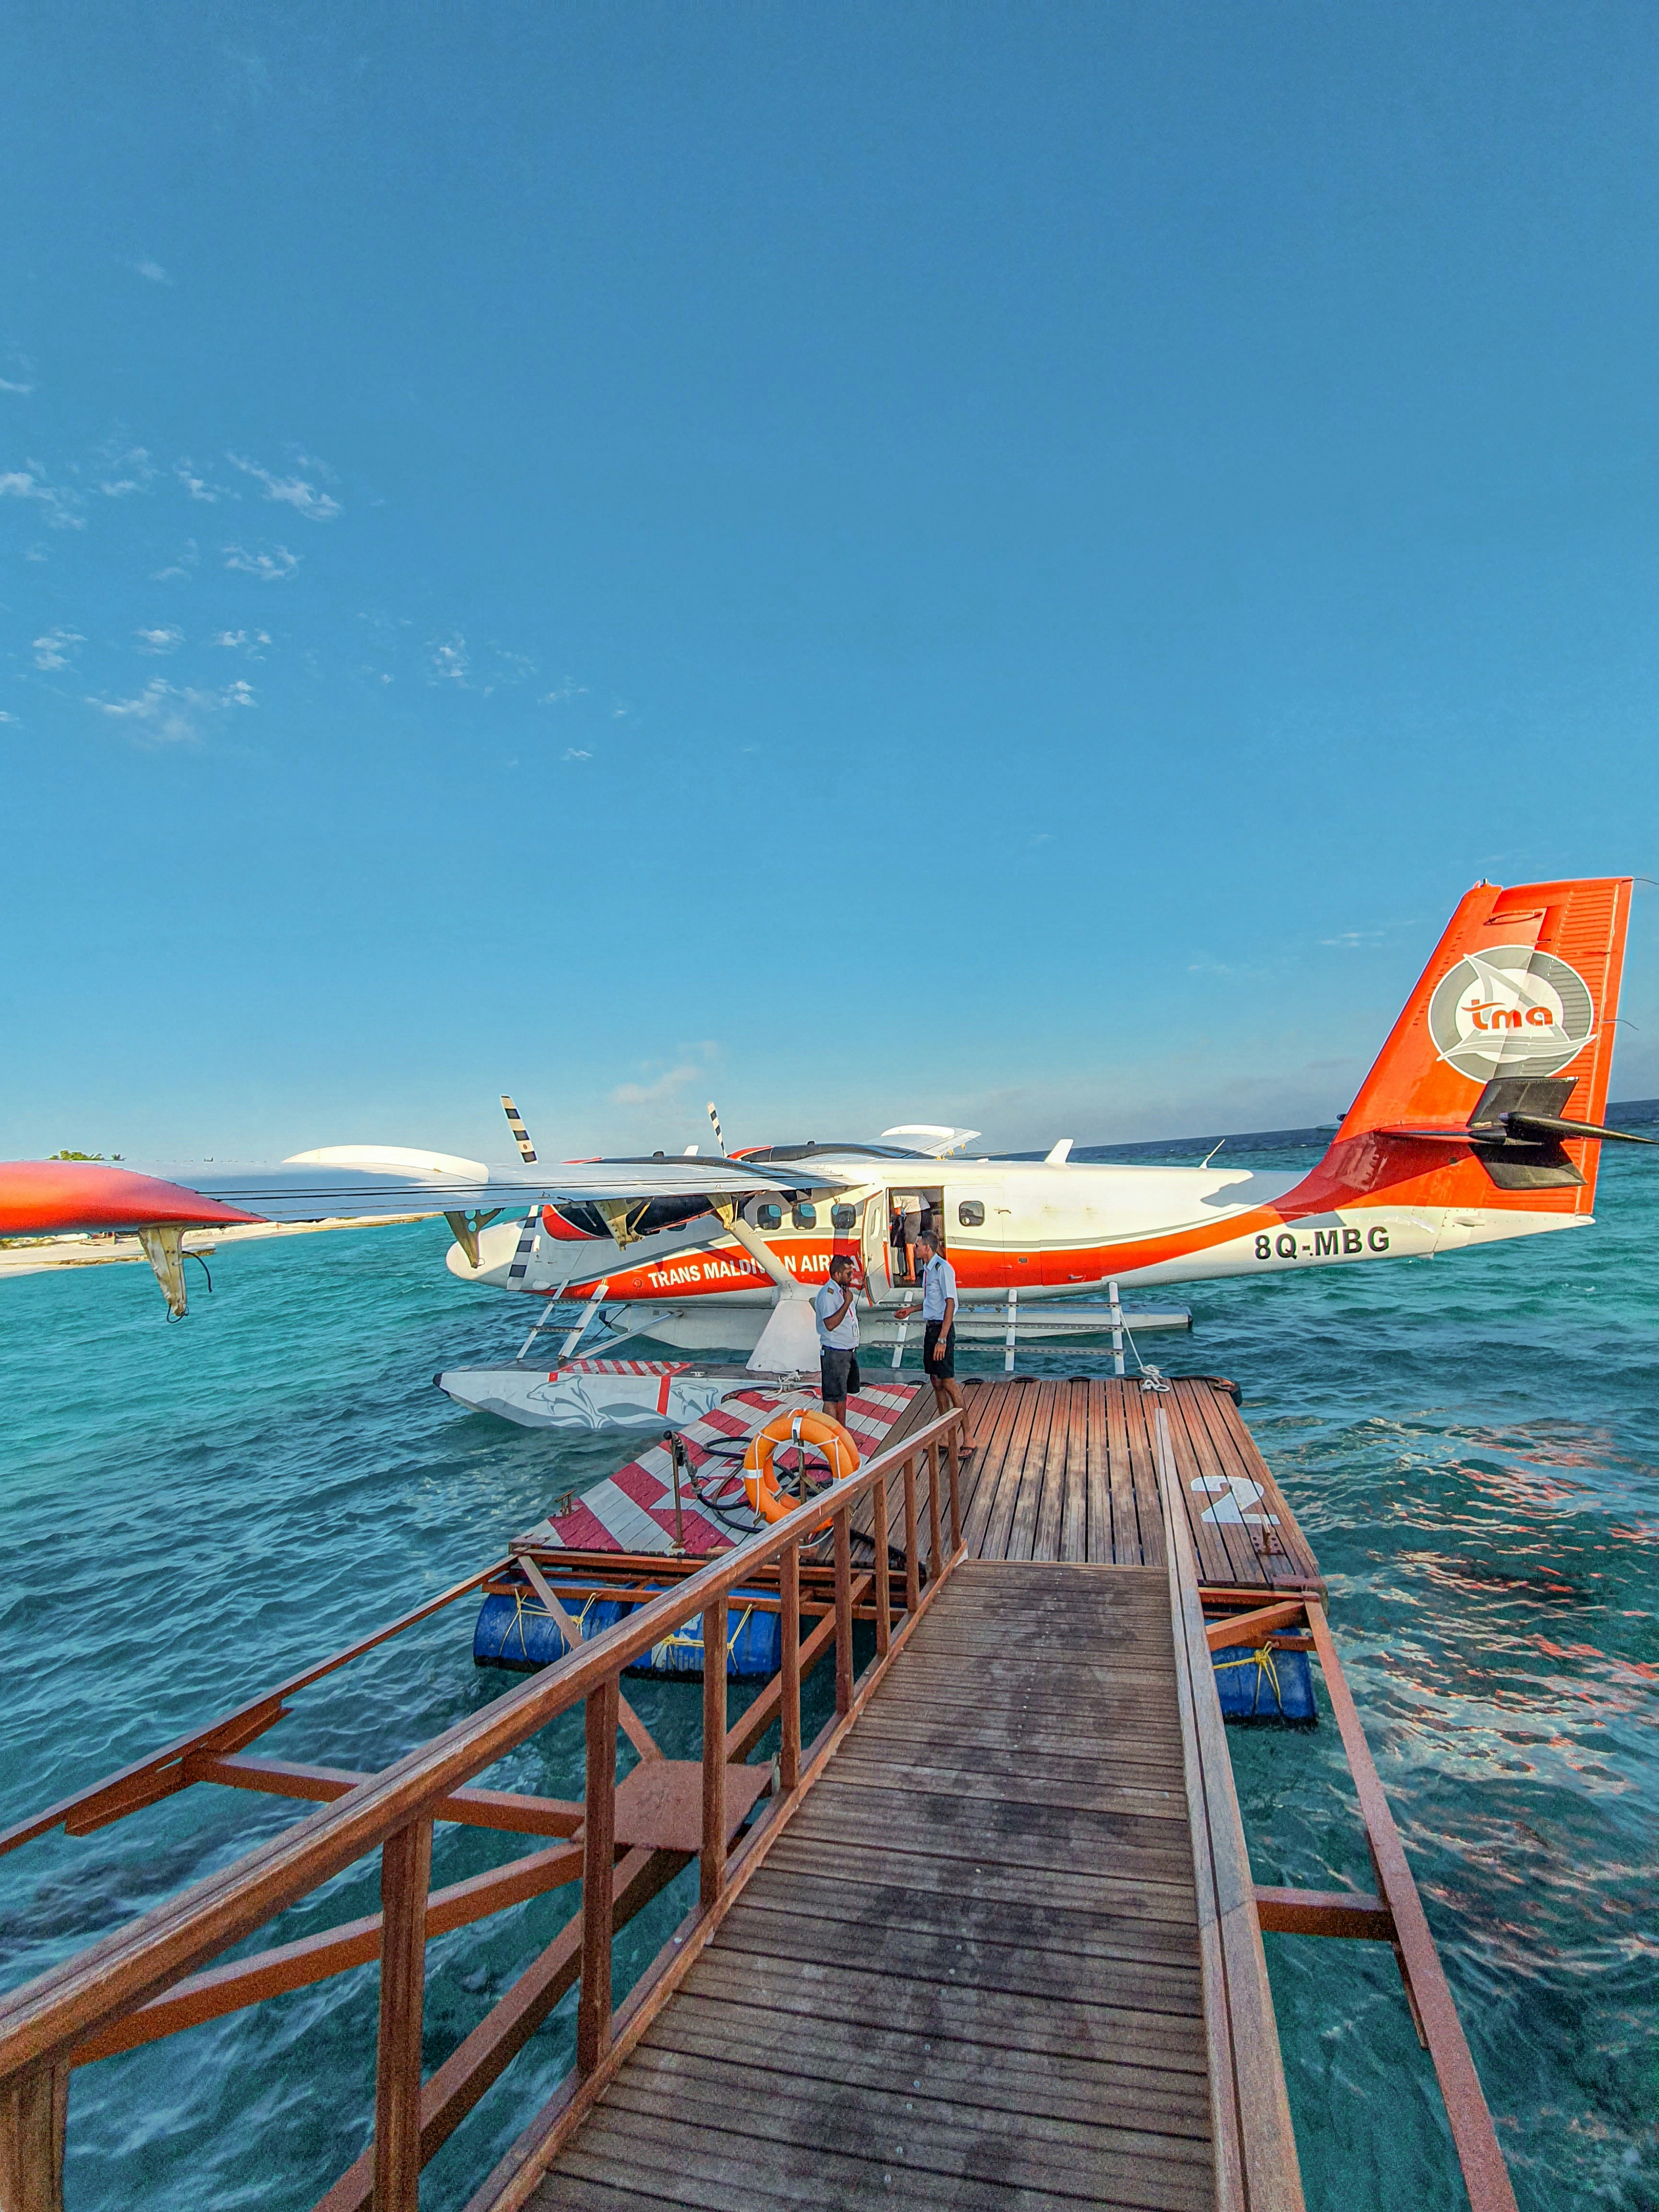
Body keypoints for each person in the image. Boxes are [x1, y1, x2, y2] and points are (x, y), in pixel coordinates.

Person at [915, 1230, 966, 1422]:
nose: (915, 1249)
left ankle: (967, 1434)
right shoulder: (928, 1270)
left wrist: (943, 1339)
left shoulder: (942, 1268)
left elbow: (950, 1303)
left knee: (948, 1381)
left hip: (941, 1329)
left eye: (918, 1246)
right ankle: (945, 1429)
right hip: (931, 1328)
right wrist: (911, 1309)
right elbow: (932, 1302)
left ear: (927, 1248)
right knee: (936, 1380)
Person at [814, 1253, 862, 1430]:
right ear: (836, 1275)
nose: (852, 1277)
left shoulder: (843, 1290)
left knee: (842, 1397)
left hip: (847, 1350)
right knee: (833, 1398)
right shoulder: (828, 1295)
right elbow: (830, 1324)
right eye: (848, 1274)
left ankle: (841, 1434)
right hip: (834, 1352)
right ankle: (832, 1436)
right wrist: (847, 1303)